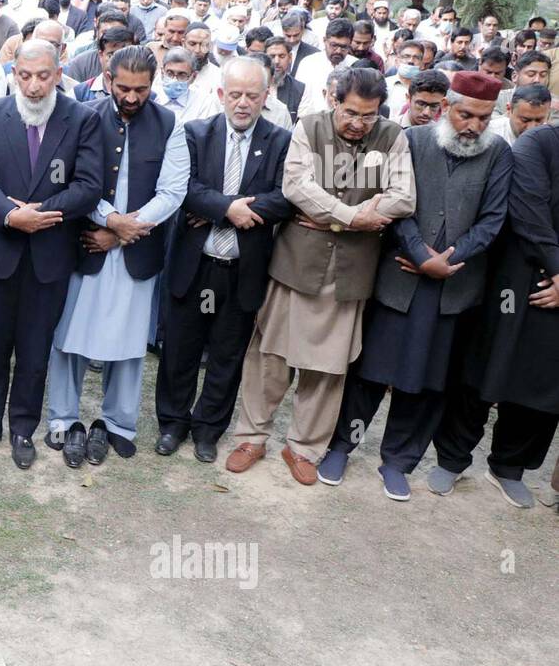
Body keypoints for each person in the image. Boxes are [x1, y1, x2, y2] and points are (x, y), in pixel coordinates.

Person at [314, 71, 511, 500]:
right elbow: (394, 204)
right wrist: (422, 256)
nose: (472, 125)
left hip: (454, 287)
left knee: (426, 380)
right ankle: (343, 446)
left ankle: (398, 461)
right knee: (370, 372)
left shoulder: (499, 154)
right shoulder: (413, 141)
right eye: (464, 114)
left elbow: (493, 220)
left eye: (482, 117)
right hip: (400, 277)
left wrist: (449, 259)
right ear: (446, 108)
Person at [226, 67, 415, 484]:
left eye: (368, 115)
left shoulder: (392, 136)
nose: (358, 123)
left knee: (328, 368)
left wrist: (331, 219)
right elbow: (298, 188)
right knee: (270, 357)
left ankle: (305, 448)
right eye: (350, 112)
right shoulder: (308, 129)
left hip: (350, 274)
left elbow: (404, 197)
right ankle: (251, 437)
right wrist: (352, 217)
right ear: (334, 100)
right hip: (296, 262)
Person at [0, 39, 104, 468]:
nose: (34, 86)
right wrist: (9, 215)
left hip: (50, 255)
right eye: (25, 76)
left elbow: (89, 184)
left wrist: (40, 214)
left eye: (44, 76)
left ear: (59, 75)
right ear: (14, 75)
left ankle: (23, 427)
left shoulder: (81, 119)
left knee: (35, 349)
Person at [45, 45, 190, 466]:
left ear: (152, 85)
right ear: (107, 79)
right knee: (69, 337)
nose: (130, 97)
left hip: (136, 249)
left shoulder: (170, 124)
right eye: (123, 87)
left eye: (140, 90)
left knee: (128, 343)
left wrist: (125, 230)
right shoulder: (82, 115)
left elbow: (173, 192)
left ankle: (118, 424)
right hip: (86, 244)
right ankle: (62, 418)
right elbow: (74, 180)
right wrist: (110, 221)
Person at [155, 56, 292, 461]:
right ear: (220, 94)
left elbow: (285, 198)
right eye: (235, 94)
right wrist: (229, 209)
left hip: (240, 269)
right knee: (179, 350)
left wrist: (219, 208)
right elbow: (184, 187)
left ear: (266, 97)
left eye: (253, 95)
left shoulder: (280, 140)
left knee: (226, 355)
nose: (243, 103)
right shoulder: (195, 134)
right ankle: (172, 423)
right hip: (194, 265)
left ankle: (207, 430)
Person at [428, 121, 559, 507]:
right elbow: (529, 212)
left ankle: (509, 467)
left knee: (545, 382)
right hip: (514, 279)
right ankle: (451, 458)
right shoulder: (541, 142)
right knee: (484, 369)